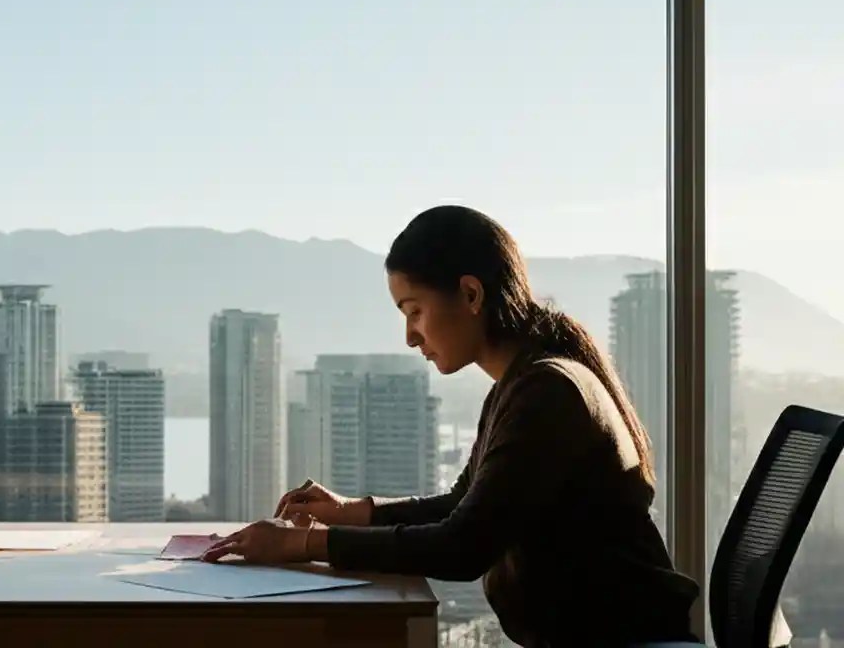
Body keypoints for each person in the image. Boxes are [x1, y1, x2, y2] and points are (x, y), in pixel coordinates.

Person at [202, 206, 700, 647]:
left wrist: (300, 543)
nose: (409, 336)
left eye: (414, 311)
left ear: (470, 293)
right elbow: (464, 504)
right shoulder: (523, 382)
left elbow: (463, 546)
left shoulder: (547, 392)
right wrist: (349, 512)